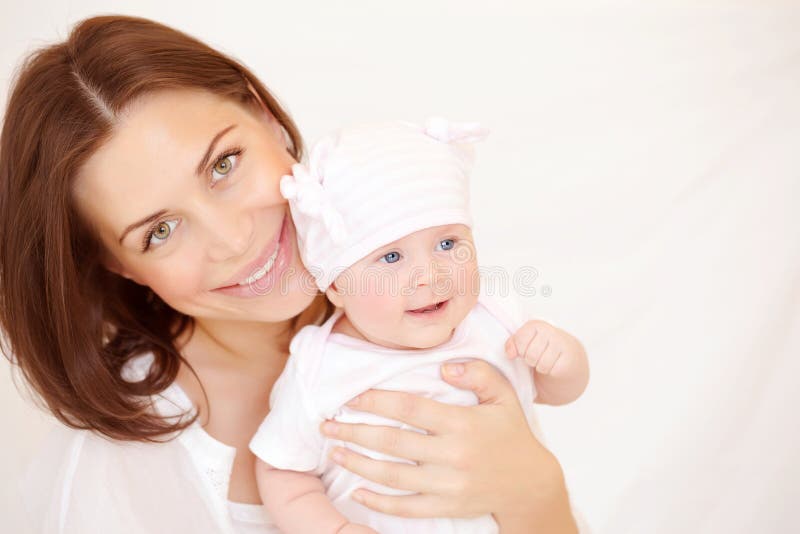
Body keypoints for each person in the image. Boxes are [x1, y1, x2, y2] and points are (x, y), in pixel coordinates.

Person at [0, 14, 581, 534]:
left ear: (267, 118)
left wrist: (535, 492)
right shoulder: (117, 474)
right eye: (160, 231)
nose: (233, 240)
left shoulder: (418, 298)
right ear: (117, 265)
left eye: (224, 165)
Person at [249, 117, 590, 533]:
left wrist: (565, 360)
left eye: (448, 244)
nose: (429, 275)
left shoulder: (494, 320)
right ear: (336, 284)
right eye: (391, 258)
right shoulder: (319, 367)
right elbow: (281, 470)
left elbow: (554, 392)